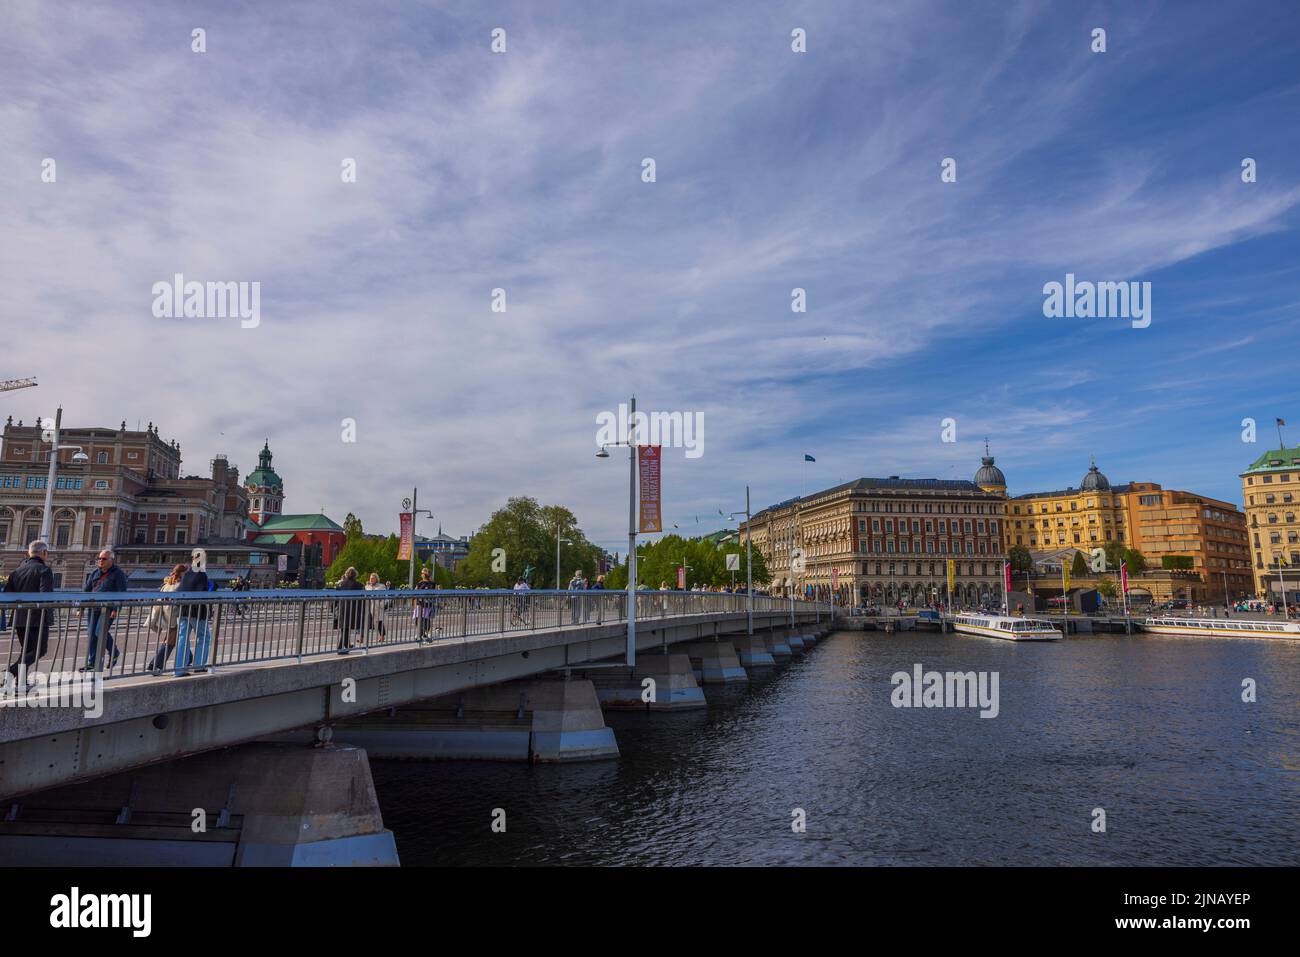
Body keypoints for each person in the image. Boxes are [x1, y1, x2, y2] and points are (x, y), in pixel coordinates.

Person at [2, 540, 55, 694]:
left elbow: (7, 595)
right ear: (44, 553)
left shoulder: (17, 571)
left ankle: (21, 683)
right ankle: (10, 674)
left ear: (29, 553)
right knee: (40, 650)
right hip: (37, 618)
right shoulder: (44, 570)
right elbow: (46, 596)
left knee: (27, 650)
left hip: (19, 617)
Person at [81, 549, 129, 672]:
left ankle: (114, 653)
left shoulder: (118, 574)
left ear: (111, 560)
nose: (100, 561)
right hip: (93, 608)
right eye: (99, 558)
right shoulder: (94, 573)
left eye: (104, 559)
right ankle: (91, 663)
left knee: (99, 632)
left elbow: (121, 593)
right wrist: (80, 607)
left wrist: (115, 608)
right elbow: (86, 591)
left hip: (108, 609)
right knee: (91, 635)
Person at [174, 552, 213, 675]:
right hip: (196, 611)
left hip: (183, 610)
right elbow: (203, 593)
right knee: (204, 637)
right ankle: (199, 665)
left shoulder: (187, 574)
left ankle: (179, 669)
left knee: (182, 638)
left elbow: (180, 590)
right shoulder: (201, 574)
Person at [148, 564, 187, 675]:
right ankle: (155, 665)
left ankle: (189, 659)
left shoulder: (167, 585)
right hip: (176, 616)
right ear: (182, 573)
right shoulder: (180, 585)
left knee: (179, 639)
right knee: (170, 642)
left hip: (166, 616)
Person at [333, 567, 365, 653]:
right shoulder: (359, 585)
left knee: (344, 629)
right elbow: (362, 598)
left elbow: (336, 598)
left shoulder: (340, 584)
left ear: (346, 574)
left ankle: (346, 647)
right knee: (346, 629)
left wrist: (334, 608)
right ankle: (341, 649)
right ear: (355, 575)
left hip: (342, 608)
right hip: (352, 609)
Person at [413, 567, 437, 641]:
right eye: (422, 573)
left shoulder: (432, 583)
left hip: (427, 605)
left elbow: (435, 593)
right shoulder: (420, 583)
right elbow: (415, 592)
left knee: (426, 619)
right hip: (419, 604)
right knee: (418, 619)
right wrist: (414, 604)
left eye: (424, 573)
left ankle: (425, 633)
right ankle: (420, 633)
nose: (423, 574)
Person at [364, 572, 387, 642]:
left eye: (373, 578)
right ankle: (363, 637)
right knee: (366, 622)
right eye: (370, 578)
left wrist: (382, 604)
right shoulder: (367, 586)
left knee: (379, 622)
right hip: (368, 606)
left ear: (376, 579)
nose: (371, 579)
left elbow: (385, 596)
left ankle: (382, 636)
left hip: (377, 606)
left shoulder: (381, 586)